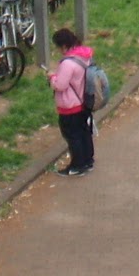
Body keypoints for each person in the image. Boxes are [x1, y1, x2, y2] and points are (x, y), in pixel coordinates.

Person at [45, 28, 95, 176]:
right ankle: (88, 160)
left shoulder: (67, 64)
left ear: (64, 46)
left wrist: (51, 77)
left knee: (72, 136)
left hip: (69, 106)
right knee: (84, 132)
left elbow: (60, 85)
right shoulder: (85, 56)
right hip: (82, 102)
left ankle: (77, 166)